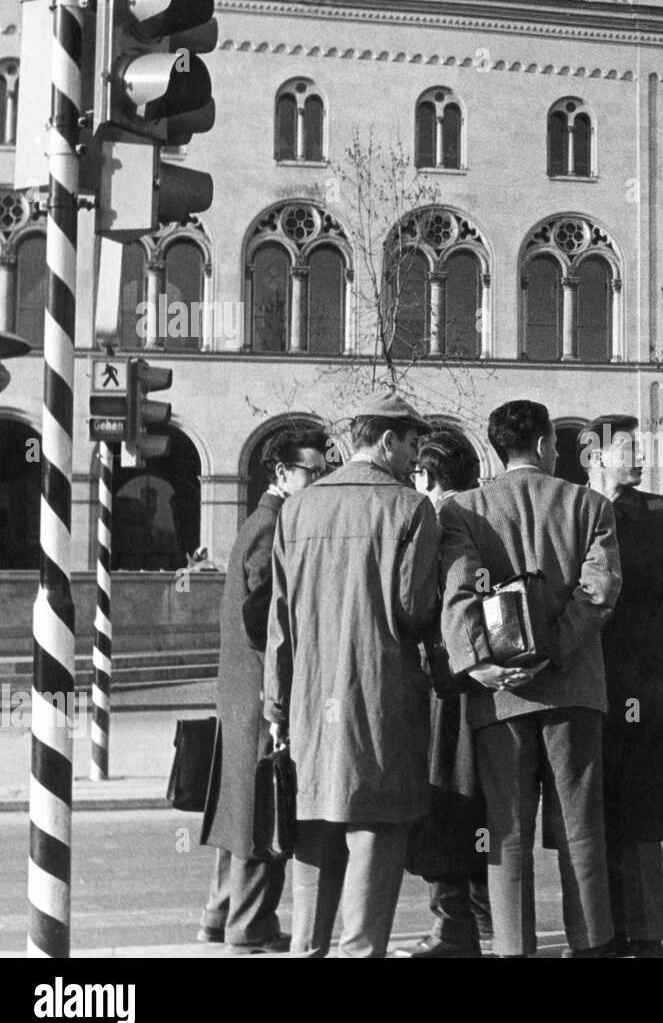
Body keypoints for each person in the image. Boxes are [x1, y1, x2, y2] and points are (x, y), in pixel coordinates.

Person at [439, 400, 622, 958]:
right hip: (574, 691)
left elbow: (458, 593)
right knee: (580, 829)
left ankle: (514, 948)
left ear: (498, 449)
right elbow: (600, 591)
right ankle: (590, 945)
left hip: (501, 697)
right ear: (546, 445)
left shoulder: (463, 510)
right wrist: (554, 650)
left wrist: (481, 663)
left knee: (507, 833)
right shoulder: (590, 505)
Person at [264, 392, 440, 957]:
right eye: (412, 445)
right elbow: (415, 611)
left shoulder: (297, 509)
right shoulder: (412, 509)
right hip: (381, 698)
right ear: (386, 441)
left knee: (315, 829)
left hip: (311, 705)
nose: (416, 459)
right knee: (377, 830)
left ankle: (308, 951)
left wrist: (276, 708)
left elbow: (280, 626)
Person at [583, 414, 663, 958]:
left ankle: (644, 932)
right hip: (586, 686)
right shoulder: (574, 511)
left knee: (639, 813)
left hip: (647, 685)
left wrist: (662, 659)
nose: (642, 457)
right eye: (629, 449)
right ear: (595, 457)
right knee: (588, 813)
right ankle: (597, 930)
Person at [199, 425, 329, 955]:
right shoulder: (272, 526)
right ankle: (249, 930)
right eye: (311, 472)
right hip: (259, 689)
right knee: (263, 807)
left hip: (242, 689)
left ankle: (219, 915)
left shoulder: (264, 521)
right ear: (281, 474)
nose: (318, 481)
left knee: (241, 804)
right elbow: (263, 619)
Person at [402, 428, 494, 957]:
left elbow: (433, 604)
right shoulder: (489, 513)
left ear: (428, 477)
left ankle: (452, 924)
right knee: (479, 801)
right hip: (492, 680)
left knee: (446, 800)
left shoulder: (440, 523)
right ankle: (481, 914)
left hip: (448, 680)